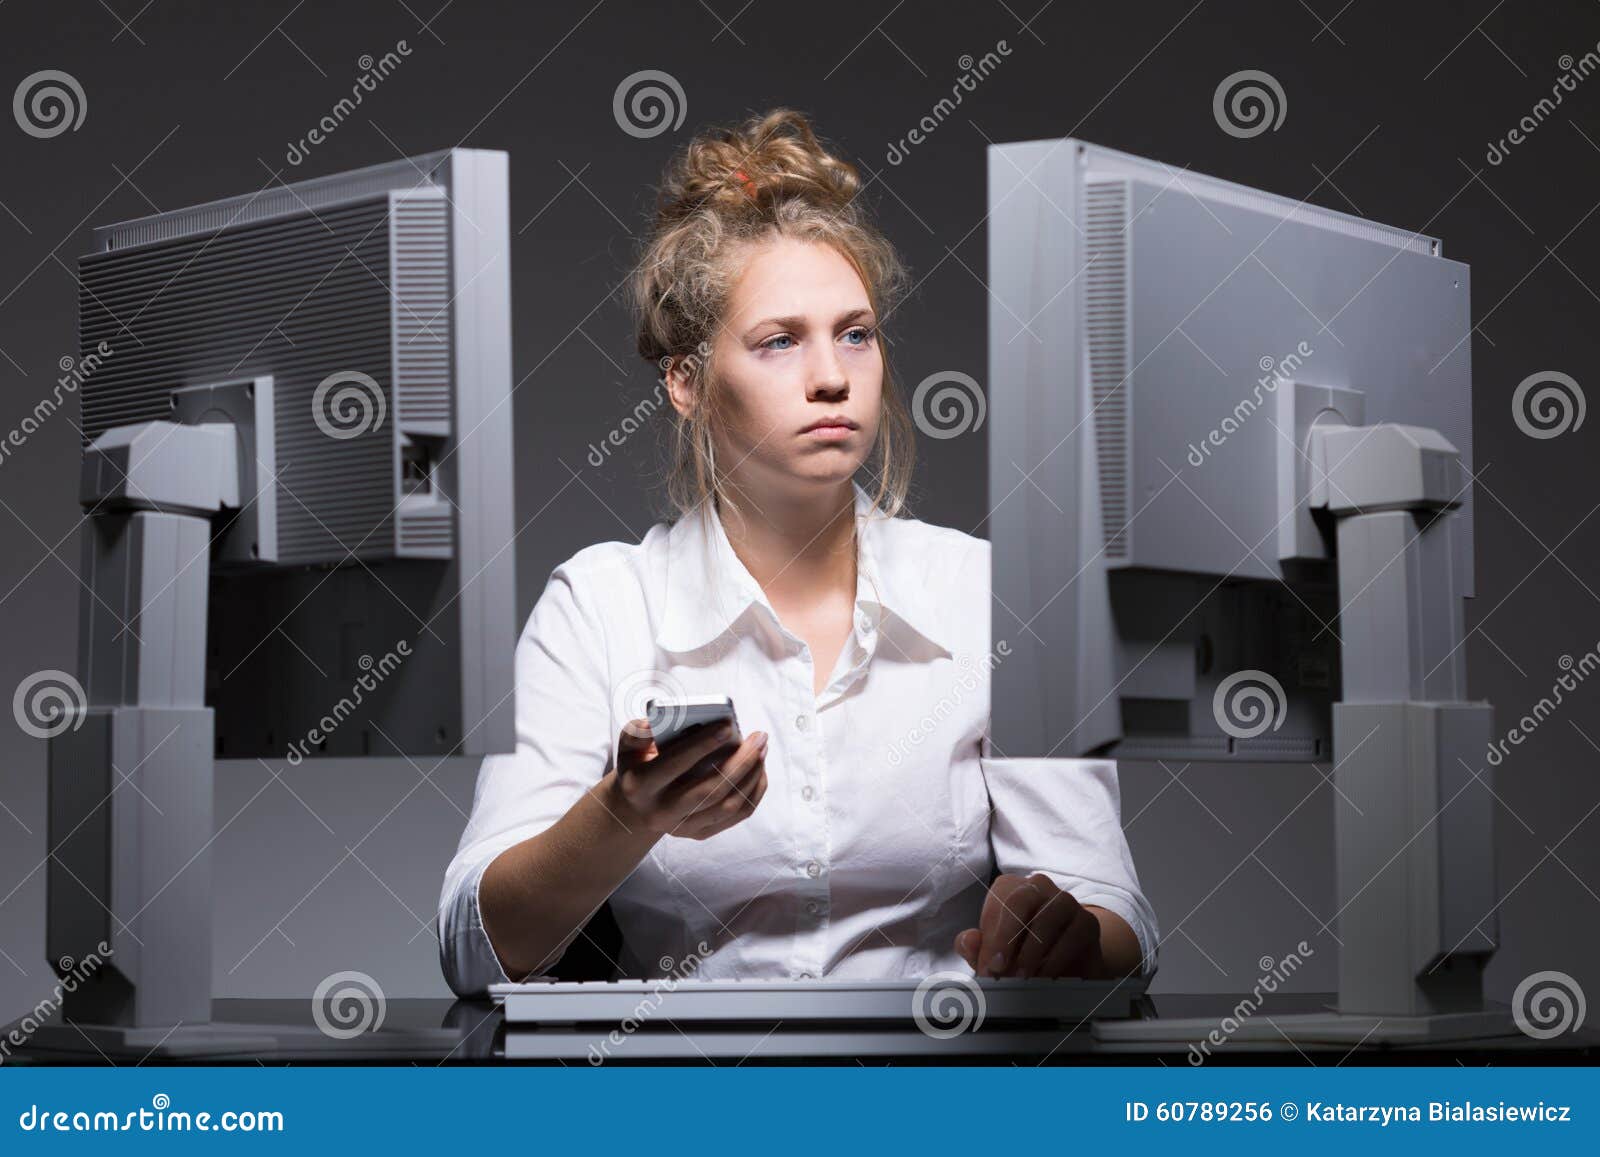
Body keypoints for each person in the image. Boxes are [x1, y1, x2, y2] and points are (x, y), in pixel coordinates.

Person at [437, 108, 1158, 996]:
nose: (831, 374)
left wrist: (1071, 940)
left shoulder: (995, 596)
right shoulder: (600, 605)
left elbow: (1115, 913)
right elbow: (474, 950)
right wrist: (621, 817)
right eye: (780, 340)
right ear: (687, 381)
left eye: (855, 333)